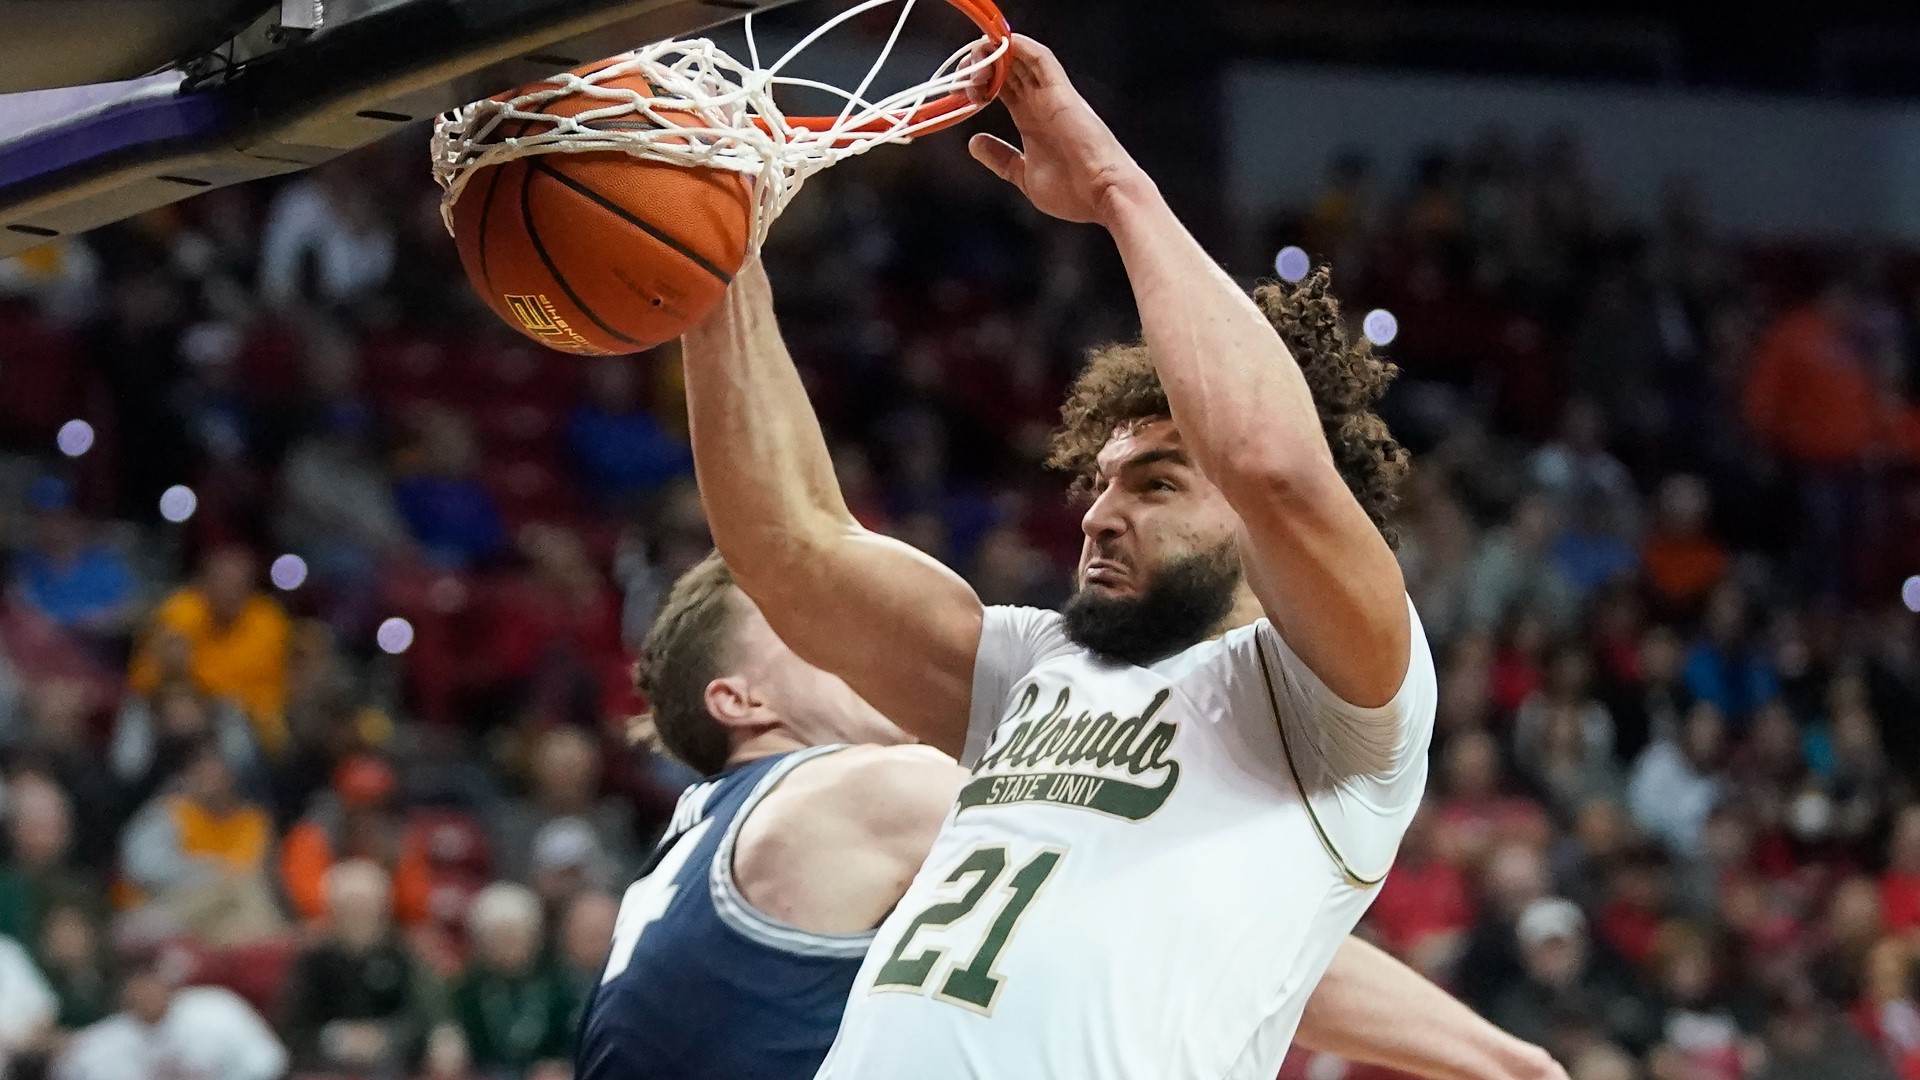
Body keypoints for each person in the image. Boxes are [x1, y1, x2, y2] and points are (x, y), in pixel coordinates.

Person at [680, 36, 1440, 1079]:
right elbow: (791, 547)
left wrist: (1117, 191)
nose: (1098, 516)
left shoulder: (1342, 709)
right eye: (1100, 483)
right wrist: (713, 250)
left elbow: (1270, 464)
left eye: (1156, 484)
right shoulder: (1037, 667)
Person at [578, 556, 1562, 1080]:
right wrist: (1497, 1059)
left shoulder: (685, 852)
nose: (851, 637)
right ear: (741, 700)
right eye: (805, 629)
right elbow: (1212, 929)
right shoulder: (866, 791)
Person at [56, 925, 287, 1080]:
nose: (144, 991)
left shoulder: (217, 1009)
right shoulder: (99, 1046)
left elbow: (269, 1066)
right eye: (135, 983)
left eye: (150, 978)